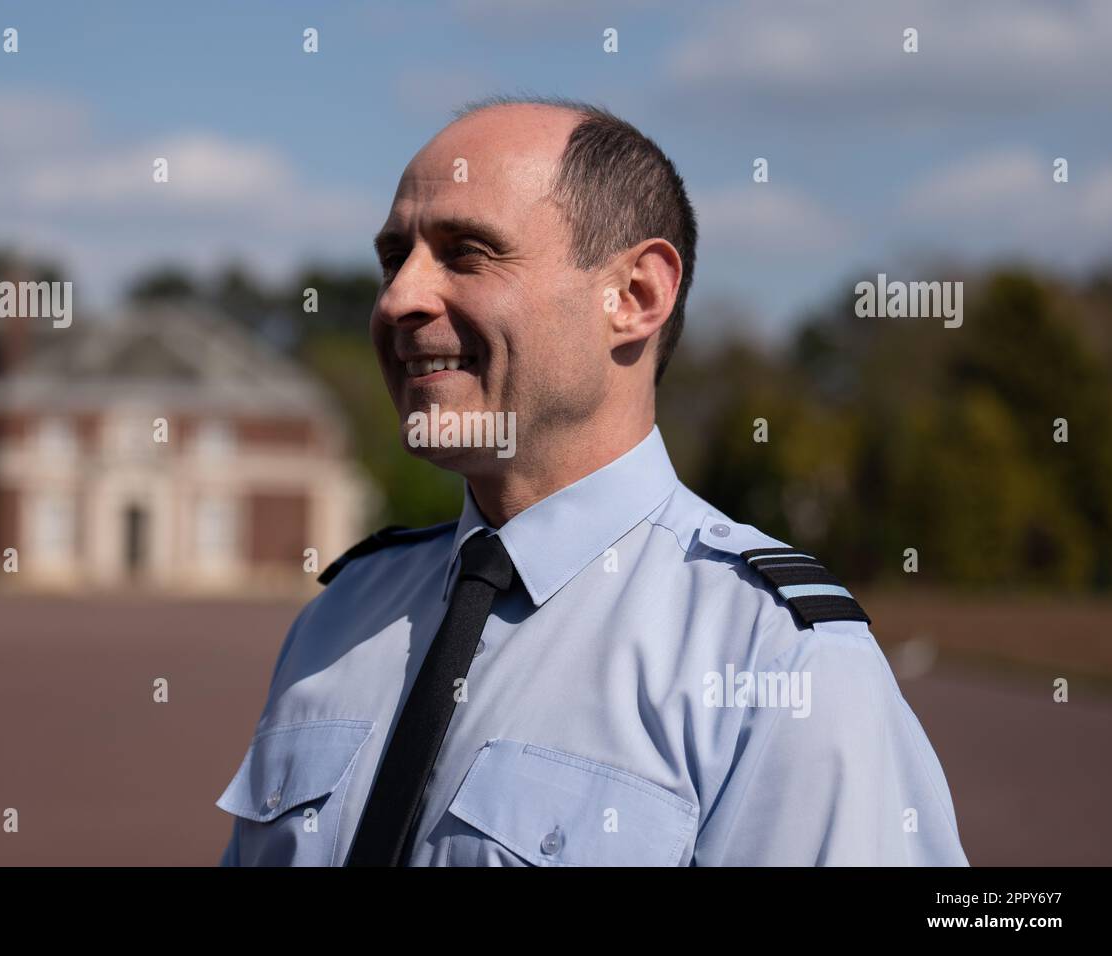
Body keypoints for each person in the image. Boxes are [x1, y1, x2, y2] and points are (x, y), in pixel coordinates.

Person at [215, 95, 969, 866]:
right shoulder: (341, 617)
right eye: (392, 258)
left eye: (466, 252)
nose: (399, 298)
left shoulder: (776, 662)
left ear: (636, 296)